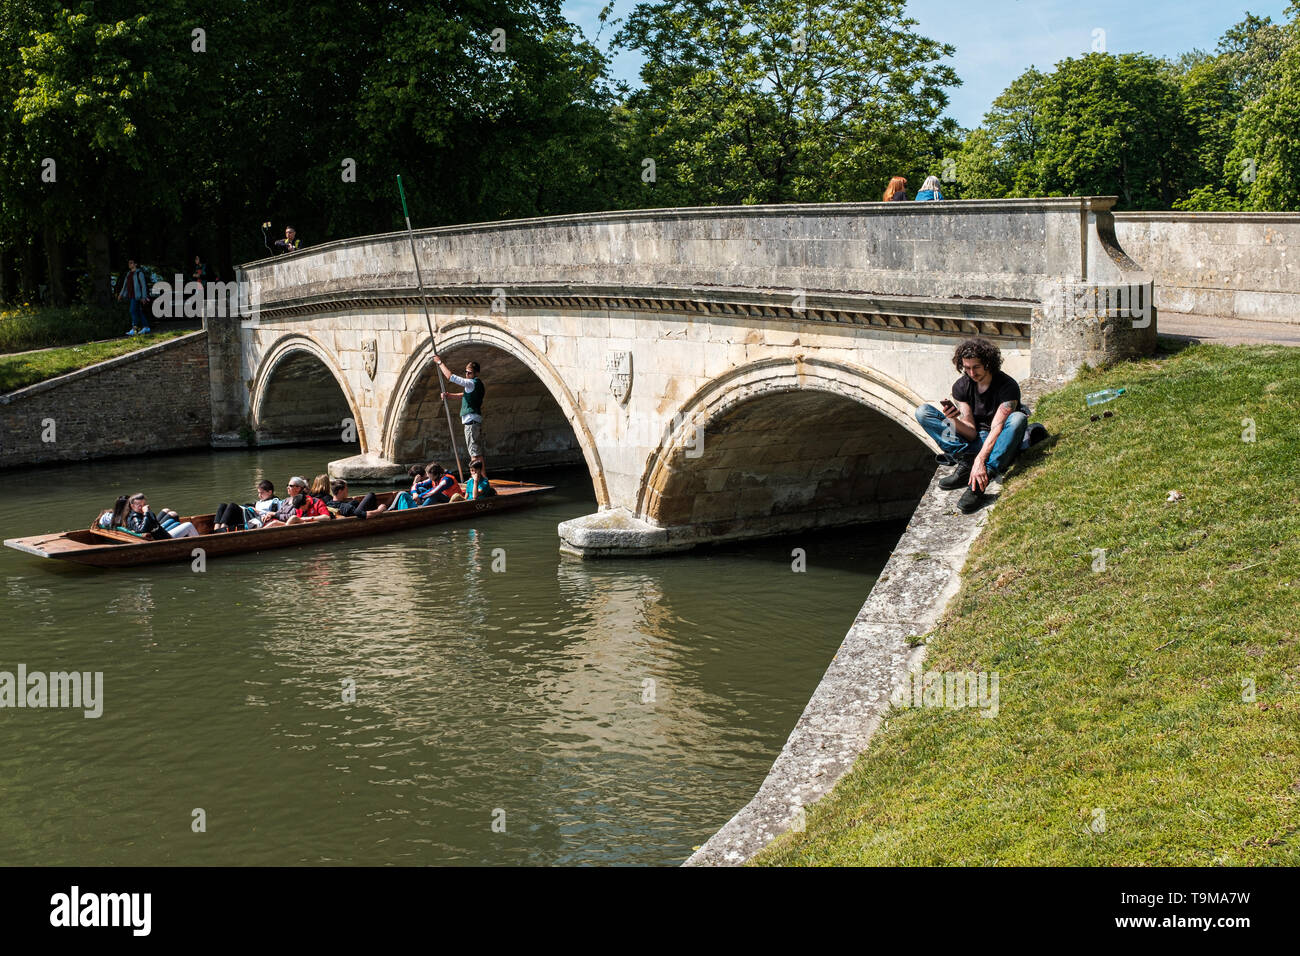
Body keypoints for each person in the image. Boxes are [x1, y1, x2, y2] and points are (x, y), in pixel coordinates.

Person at [914, 337, 1029, 515]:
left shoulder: (1007, 386)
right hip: (975, 441)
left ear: (988, 364)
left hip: (998, 441)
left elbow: (997, 428)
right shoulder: (962, 386)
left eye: (976, 367)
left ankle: (980, 483)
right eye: (967, 368)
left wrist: (981, 461)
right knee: (923, 412)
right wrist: (954, 420)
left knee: (1017, 419)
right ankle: (965, 461)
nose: (972, 373)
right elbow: (970, 431)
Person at [433, 354, 486, 474]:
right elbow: (465, 395)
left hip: (471, 422)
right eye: (466, 372)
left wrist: (439, 362)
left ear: (476, 373)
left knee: (474, 453)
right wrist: (449, 396)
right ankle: (483, 477)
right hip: (475, 420)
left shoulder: (471, 383)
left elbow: (450, 376)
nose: (467, 375)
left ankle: (476, 478)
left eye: (469, 373)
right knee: (477, 452)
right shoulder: (476, 384)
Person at [117, 492, 198, 539]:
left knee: (175, 523)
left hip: (162, 534)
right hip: (165, 538)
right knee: (189, 525)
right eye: (139, 505)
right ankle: (199, 547)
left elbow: (155, 524)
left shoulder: (136, 514)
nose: (142, 507)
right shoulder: (135, 516)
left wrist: (148, 513)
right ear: (132, 506)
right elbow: (141, 529)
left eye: (144, 504)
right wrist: (146, 513)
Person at [261, 476, 332, 527]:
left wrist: (309, 518)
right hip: (298, 525)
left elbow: (327, 517)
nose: (301, 510)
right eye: (287, 485)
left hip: (309, 525)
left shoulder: (317, 502)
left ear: (307, 501)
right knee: (274, 522)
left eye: (290, 486)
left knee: (293, 518)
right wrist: (270, 515)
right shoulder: (292, 501)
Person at [212, 479, 280, 532]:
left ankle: (222, 530)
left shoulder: (275, 502)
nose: (259, 495)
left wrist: (258, 512)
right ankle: (216, 529)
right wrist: (250, 507)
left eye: (261, 493)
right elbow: (249, 505)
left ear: (270, 492)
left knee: (232, 505)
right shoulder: (262, 501)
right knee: (222, 505)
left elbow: (274, 515)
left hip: (253, 520)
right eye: (258, 493)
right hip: (248, 515)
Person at [391, 463, 461, 510]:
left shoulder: (446, 480)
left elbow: (434, 491)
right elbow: (416, 485)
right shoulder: (433, 478)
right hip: (439, 496)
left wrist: (419, 496)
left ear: (436, 475)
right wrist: (415, 493)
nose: (428, 477)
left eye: (429, 475)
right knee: (421, 488)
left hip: (450, 500)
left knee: (435, 494)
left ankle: (421, 509)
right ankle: (419, 504)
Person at [117, 259, 152, 336]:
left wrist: (143, 297)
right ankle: (146, 327)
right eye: (129, 263)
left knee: (132, 311)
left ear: (135, 264)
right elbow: (124, 286)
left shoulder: (139, 273)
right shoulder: (128, 274)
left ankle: (134, 329)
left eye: (131, 263)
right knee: (138, 312)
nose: (129, 264)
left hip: (137, 296)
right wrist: (121, 294)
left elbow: (143, 286)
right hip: (130, 295)